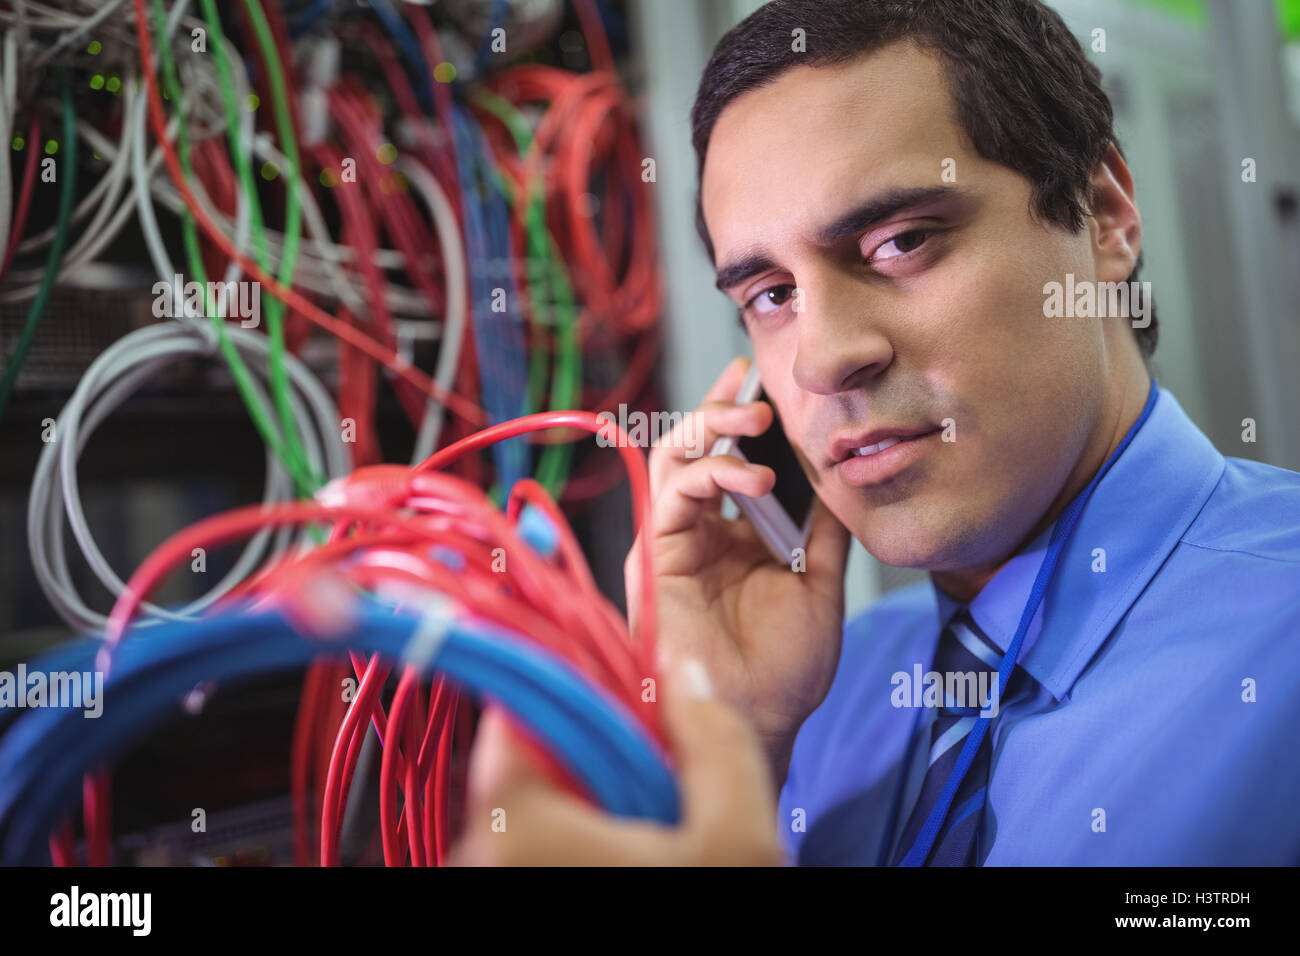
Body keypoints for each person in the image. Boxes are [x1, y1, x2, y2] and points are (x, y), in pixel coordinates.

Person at [450, 0, 1300, 866]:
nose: (823, 360)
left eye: (900, 241)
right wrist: (731, 744)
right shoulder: (817, 699)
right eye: (771, 296)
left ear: (1103, 215)